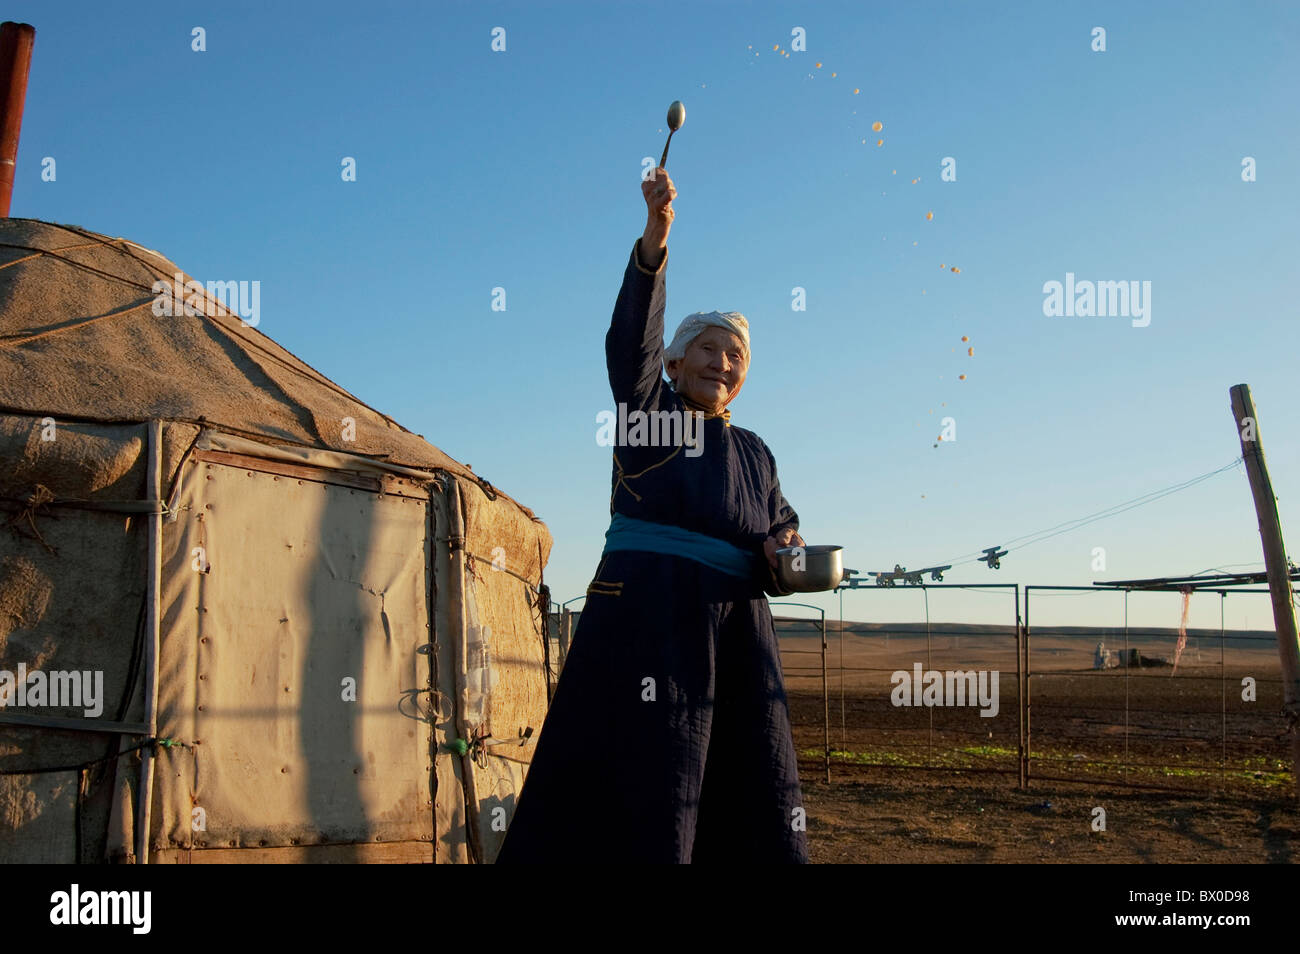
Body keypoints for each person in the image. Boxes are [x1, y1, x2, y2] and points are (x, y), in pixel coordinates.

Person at [496, 166, 808, 864]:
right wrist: (655, 241)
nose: (721, 363)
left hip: (735, 636)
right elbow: (629, 345)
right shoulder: (652, 415)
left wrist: (786, 548)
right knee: (650, 778)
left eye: (735, 355)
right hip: (649, 624)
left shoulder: (757, 452)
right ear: (674, 362)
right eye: (707, 348)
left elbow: (781, 527)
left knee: (745, 783)